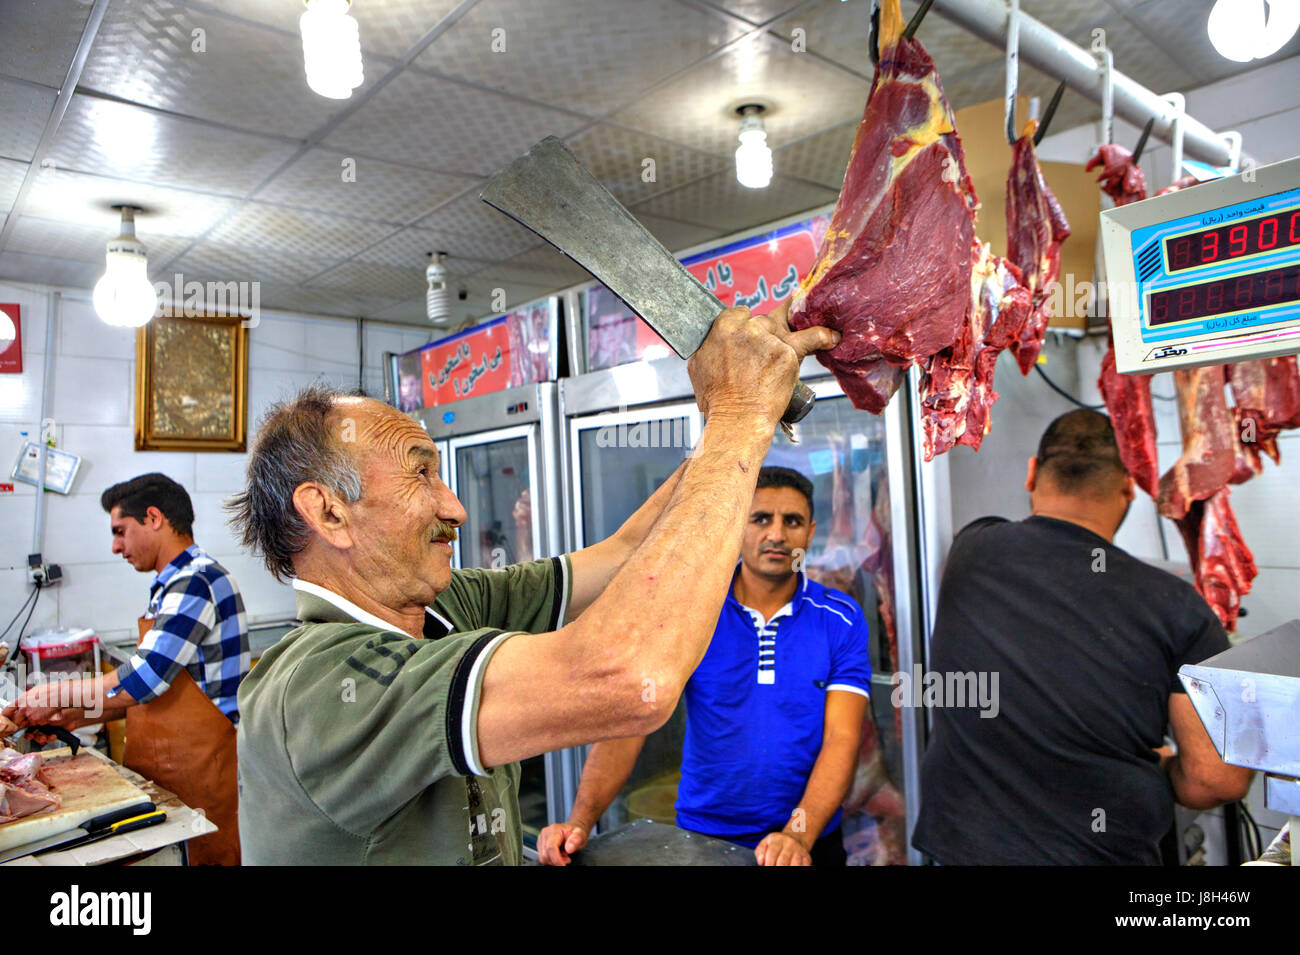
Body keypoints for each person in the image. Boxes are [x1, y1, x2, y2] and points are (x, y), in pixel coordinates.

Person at [229, 303, 839, 865]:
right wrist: (741, 417)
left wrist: (728, 418)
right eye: (421, 475)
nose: (456, 507)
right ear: (329, 512)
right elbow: (632, 680)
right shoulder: (316, 690)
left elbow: (625, 554)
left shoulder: (442, 606)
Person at [912, 410, 1254, 865]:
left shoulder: (972, 550)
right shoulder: (1178, 607)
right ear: (1129, 487)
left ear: (1032, 474)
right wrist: (1167, 762)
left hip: (963, 850)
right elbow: (1217, 781)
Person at [538, 466, 871, 867]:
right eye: (761, 518)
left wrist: (796, 835)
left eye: (793, 521)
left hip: (808, 841)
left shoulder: (840, 618)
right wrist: (579, 822)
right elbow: (629, 726)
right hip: (701, 838)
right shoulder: (690, 613)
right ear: (736, 526)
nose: (777, 534)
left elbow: (842, 738)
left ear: (810, 532)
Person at [3, 473, 249, 865]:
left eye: (120, 531)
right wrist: (76, 713)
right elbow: (163, 691)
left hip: (202, 770)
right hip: (172, 766)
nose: (116, 546)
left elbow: (144, 680)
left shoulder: (196, 581)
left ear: (153, 517)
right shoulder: (171, 585)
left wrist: (48, 694)